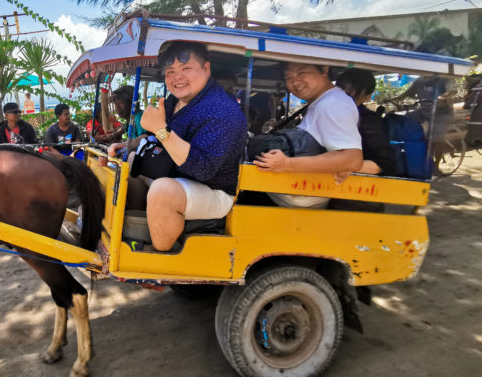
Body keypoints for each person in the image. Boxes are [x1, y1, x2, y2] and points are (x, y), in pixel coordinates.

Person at [110, 42, 247, 252]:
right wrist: (124, 145)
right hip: (176, 174)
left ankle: (159, 255)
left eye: (186, 68)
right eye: (170, 72)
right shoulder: (175, 100)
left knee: (163, 191)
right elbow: (154, 135)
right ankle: (139, 234)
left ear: (206, 69)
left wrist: (161, 130)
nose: (177, 77)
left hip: (213, 189)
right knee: (132, 162)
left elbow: (202, 168)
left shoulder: (223, 111)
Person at [254, 63, 363, 208]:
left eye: (302, 73)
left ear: (324, 69)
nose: (295, 82)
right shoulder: (324, 101)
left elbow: (351, 158)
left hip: (301, 196)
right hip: (295, 193)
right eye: (288, 77)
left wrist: (286, 164)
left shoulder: (333, 104)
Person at [335, 68, 397, 176]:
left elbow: (385, 163)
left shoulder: (367, 120)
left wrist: (345, 167)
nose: (343, 94)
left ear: (367, 97)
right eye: (340, 88)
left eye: (351, 91)